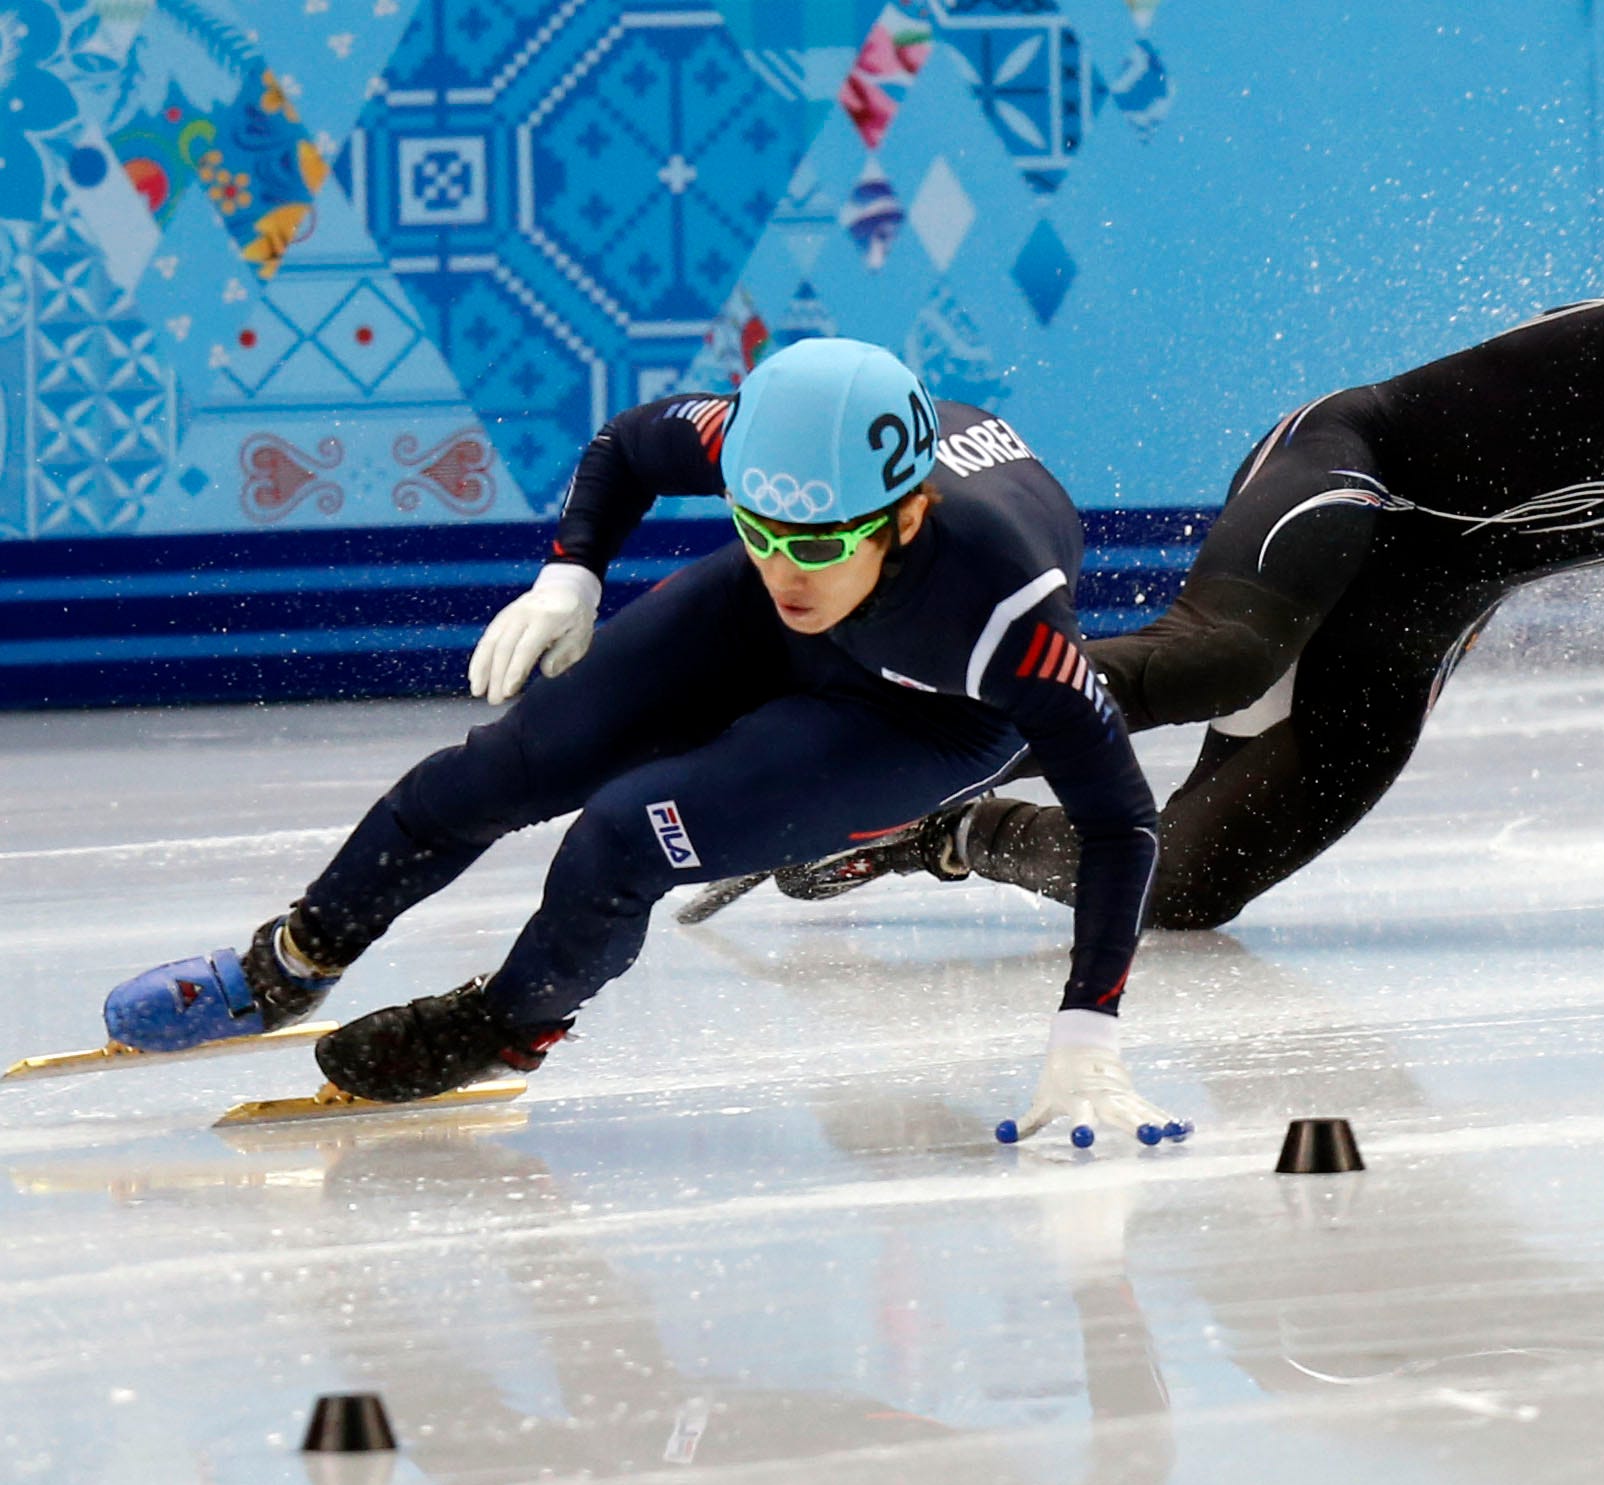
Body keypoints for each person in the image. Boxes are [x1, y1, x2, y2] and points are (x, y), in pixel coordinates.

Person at [771, 183, 1604, 936]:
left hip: (1430, 590)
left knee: (1184, 889)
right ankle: (852, 730)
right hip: (1351, 472)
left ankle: (941, 829)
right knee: (1224, 655)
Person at [100, 338, 1180, 1145]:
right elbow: (626, 445)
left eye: (814, 541)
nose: (784, 565)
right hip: (801, 631)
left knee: (622, 835)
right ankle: (290, 960)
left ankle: (510, 1024)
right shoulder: (777, 460)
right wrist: (572, 571)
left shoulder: (1010, 619)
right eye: (755, 528)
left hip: (926, 708)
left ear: (903, 517)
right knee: (500, 768)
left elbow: (1124, 821)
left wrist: (1090, 1027)